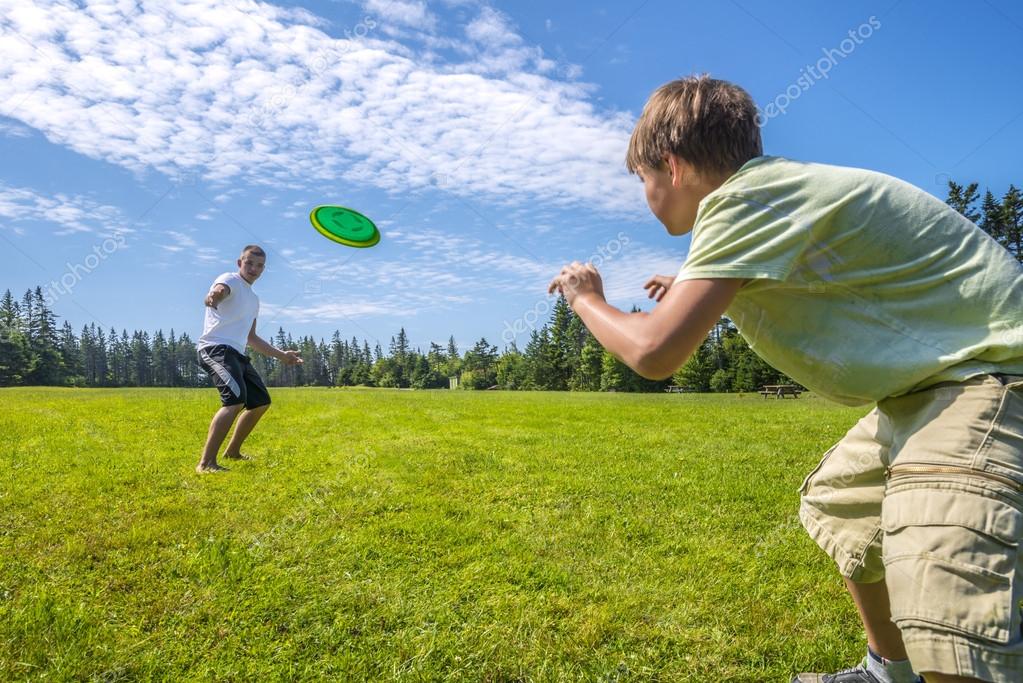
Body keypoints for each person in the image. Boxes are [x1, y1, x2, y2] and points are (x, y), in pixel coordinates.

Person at [548, 75, 1023, 683]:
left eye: (642, 180)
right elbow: (804, 282)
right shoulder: (767, 197)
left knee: (950, 616)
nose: (645, 194)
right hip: (932, 387)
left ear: (669, 164)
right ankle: (888, 671)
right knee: (843, 504)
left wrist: (586, 298)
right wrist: (693, 288)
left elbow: (655, 352)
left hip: (988, 378)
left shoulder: (742, 200)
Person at [195, 244, 302, 473]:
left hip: (237, 353)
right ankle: (206, 464)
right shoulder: (230, 279)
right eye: (249, 263)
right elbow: (218, 291)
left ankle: (232, 451)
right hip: (215, 349)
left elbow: (251, 337)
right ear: (239, 263)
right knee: (234, 400)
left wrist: (282, 356)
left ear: (263, 269)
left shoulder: (254, 299)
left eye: (260, 265)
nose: (254, 268)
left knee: (260, 401)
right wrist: (213, 295)